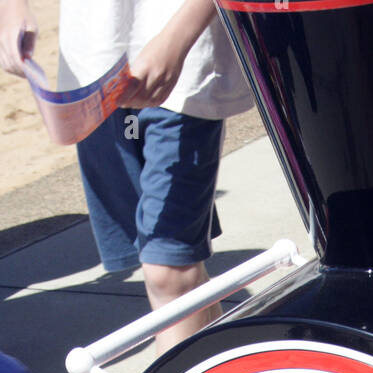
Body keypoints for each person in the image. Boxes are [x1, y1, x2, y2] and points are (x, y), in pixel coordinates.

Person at [0, 1, 252, 353]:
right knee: (177, 271)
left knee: (168, 271)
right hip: (93, 66)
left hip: (182, 61)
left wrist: (177, 39)